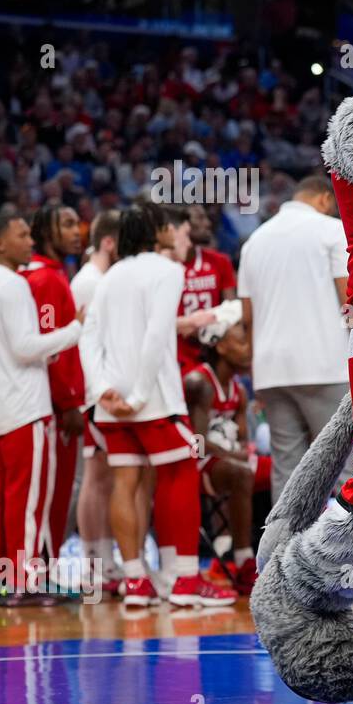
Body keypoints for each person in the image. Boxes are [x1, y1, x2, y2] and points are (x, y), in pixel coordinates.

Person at [80, 202, 235, 607]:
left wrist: (103, 391)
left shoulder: (109, 276)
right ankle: (183, 581)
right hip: (153, 400)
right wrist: (136, 397)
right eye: (169, 225)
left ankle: (136, 582)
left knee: (125, 483)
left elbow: (87, 338)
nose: (176, 229)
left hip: (111, 403)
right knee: (180, 473)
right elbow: (155, 336)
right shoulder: (167, 271)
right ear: (156, 231)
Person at [236, 175, 350, 501]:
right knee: (345, 468)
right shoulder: (330, 230)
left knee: (288, 476)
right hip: (325, 365)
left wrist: (256, 374)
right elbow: (348, 301)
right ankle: (347, 553)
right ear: (324, 200)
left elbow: (247, 317)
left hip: (271, 371)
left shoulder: (254, 241)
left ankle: (281, 553)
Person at [0, 209, 82, 604]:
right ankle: (26, 581)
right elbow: (26, 347)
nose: (29, 241)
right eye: (20, 235)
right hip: (26, 406)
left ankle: (7, 578)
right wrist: (74, 329)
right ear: (1, 242)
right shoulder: (17, 284)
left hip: (5, 406)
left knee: (10, 500)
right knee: (28, 501)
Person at [21, 204, 85, 574]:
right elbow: (51, 349)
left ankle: (43, 566)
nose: (78, 231)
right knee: (51, 496)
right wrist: (69, 403)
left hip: (49, 404)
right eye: (68, 224)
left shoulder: (55, 274)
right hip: (54, 408)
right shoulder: (45, 280)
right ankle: (41, 569)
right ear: (46, 232)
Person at [184, 321, 260, 594]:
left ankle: (271, 552)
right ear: (220, 345)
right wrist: (234, 454)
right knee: (242, 474)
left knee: (279, 473)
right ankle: (242, 561)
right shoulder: (199, 382)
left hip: (228, 459)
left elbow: (243, 439)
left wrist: (240, 452)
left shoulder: (238, 391)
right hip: (197, 463)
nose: (248, 348)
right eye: (240, 342)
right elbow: (198, 444)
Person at [71, 210, 122, 593]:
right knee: (96, 477)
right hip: (92, 392)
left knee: (100, 477)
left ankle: (102, 563)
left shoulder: (95, 279)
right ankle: (95, 565)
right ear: (109, 242)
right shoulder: (92, 282)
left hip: (93, 390)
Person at [177, 203, 237, 370]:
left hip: (214, 353)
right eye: (200, 218)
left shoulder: (221, 262)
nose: (207, 223)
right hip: (177, 355)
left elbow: (233, 311)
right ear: (183, 225)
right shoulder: (166, 267)